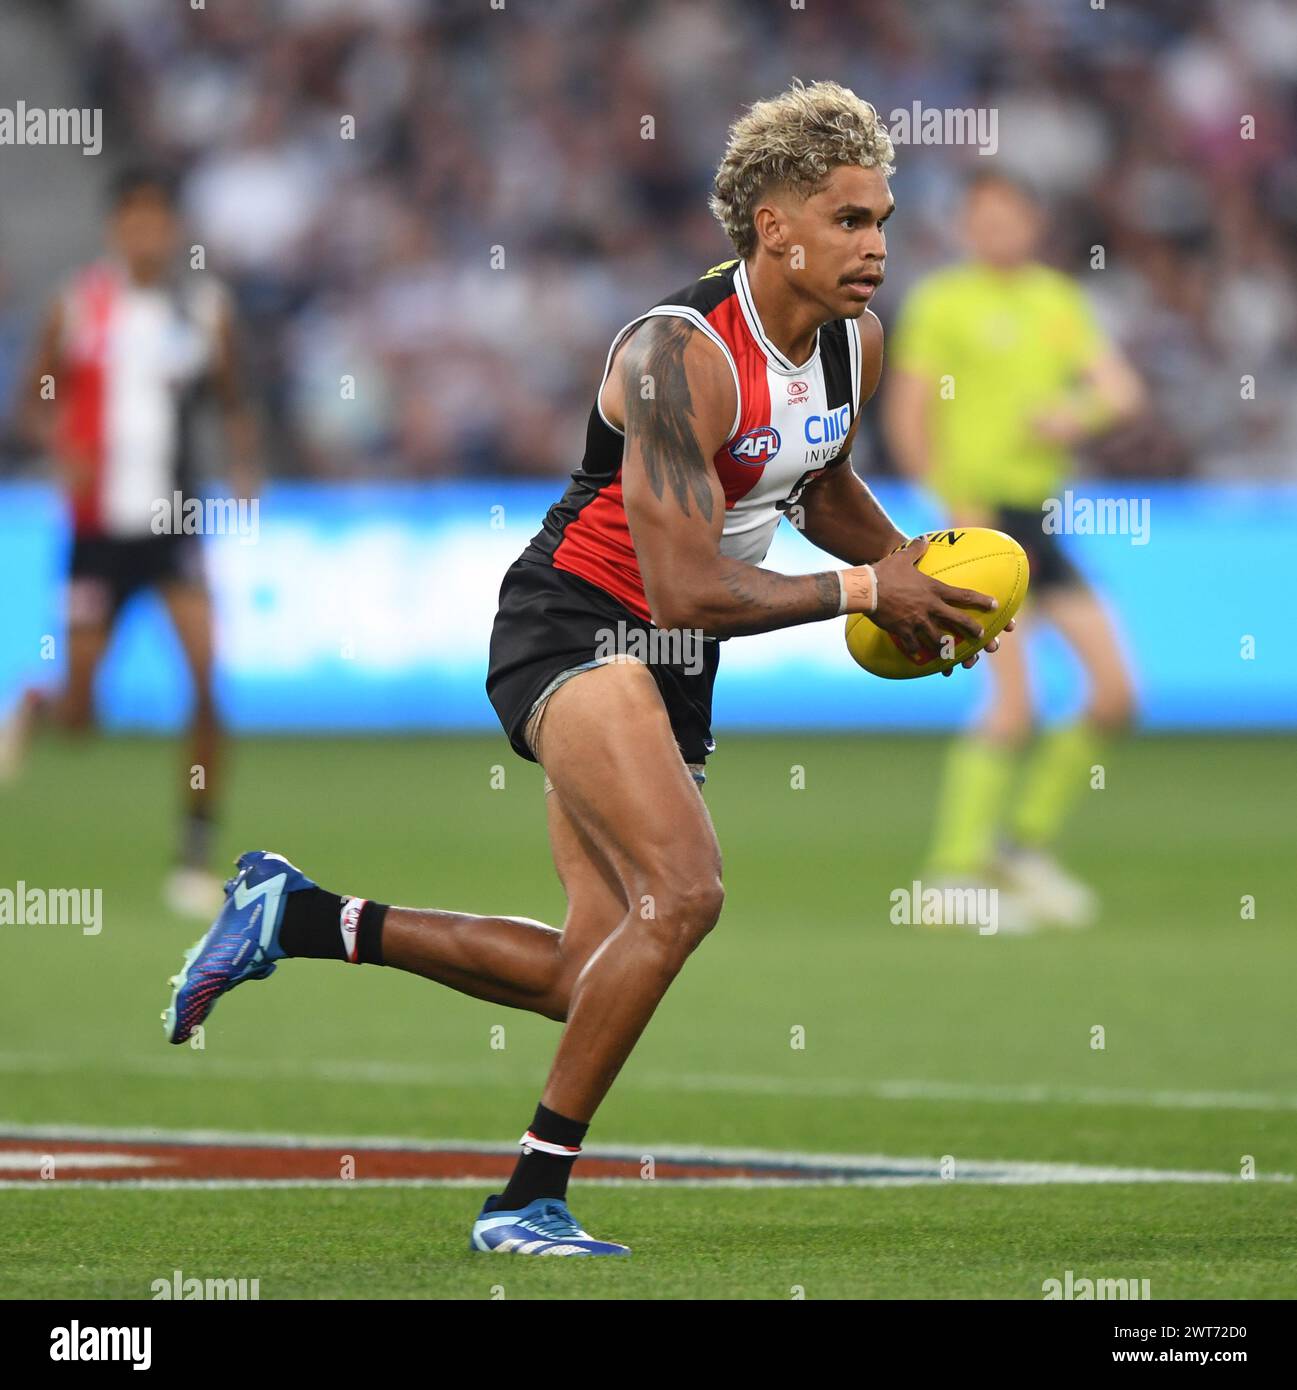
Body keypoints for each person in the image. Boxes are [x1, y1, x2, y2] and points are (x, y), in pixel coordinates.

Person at [162, 81, 1010, 1256]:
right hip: (580, 624)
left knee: (584, 967)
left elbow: (810, 482)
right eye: (851, 219)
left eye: (883, 220)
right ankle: (525, 1198)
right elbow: (683, 589)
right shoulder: (676, 357)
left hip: (677, 658)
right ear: (775, 226)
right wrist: (872, 590)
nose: (877, 246)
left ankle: (299, 917)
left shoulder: (852, 341)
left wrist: (926, 576)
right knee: (688, 893)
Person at [884, 171, 1143, 930]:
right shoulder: (942, 302)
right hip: (981, 522)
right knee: (1014, 703)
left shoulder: (1055, 301)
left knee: (1114, 694)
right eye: (983, 216)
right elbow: (906, 415)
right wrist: (943, 511)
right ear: (965, 224)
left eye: (1010, 215)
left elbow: (1120, 391)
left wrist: (1076, 414)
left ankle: (1021, 850)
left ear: (1031, 221)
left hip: (1043, 518)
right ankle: (948, 874)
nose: (997, 228)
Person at [15, 165, 259, 916]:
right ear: (116, 227)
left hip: (176, 526)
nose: (147, 233)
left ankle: (194, 851)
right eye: (135, 220)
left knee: (206, 683)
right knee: (84, 718)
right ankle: (37, 701)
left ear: (172, 228)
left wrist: (247, 466)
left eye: (158, 220)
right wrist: (59, 446)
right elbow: (34, 398)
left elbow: (234, 399)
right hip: (97, 532)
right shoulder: (78, 305)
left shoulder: (205, 309)